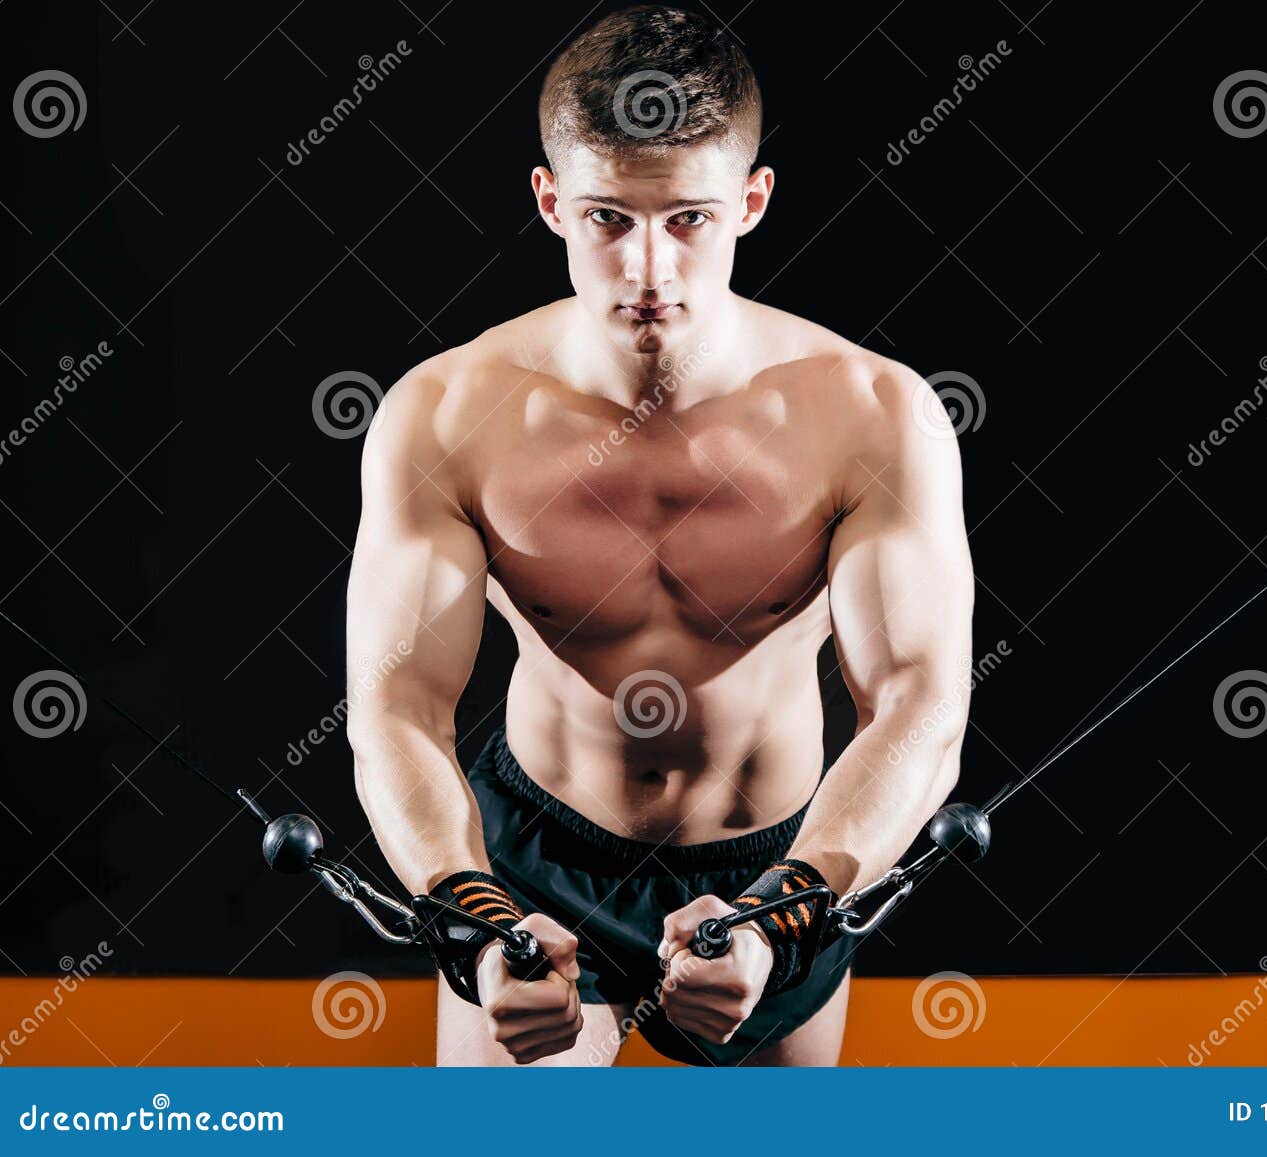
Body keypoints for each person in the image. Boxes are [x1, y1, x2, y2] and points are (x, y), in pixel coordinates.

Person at [346, 4, 973, 1067]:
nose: (648, 270)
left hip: (783, 860)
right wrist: (472, 911)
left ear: (751, 201)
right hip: (531, 864)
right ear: (550, 201)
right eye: (606, 219)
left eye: (687, 220)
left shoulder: (873, 415)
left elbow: (919, 701)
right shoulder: (444, 415)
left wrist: (785, 913)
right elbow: (396, 707)